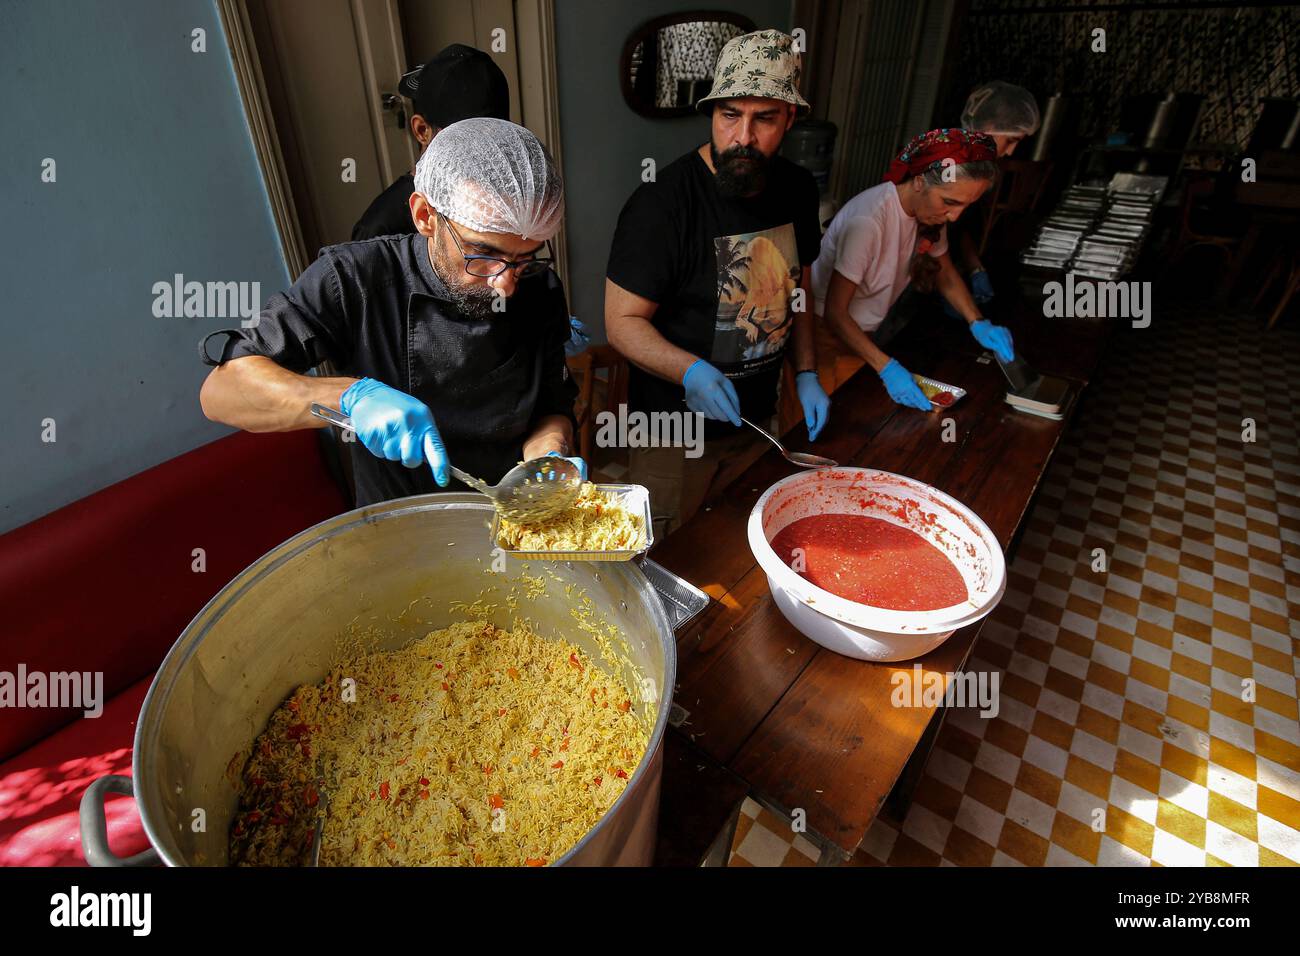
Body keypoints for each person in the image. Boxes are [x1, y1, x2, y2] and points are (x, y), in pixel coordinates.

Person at [199, 118, 584, 507]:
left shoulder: (539, 287)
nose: (505, 283)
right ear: (425, 216)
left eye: (523, 259)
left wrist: (549, 454)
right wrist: (351, 396)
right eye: (482, 254)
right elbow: (222, 393)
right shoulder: (355, 279)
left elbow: (552, 405)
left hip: (507, 510)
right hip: (402, 523)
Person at [605, 29, 829, 538]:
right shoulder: (661, 204)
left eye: (764, 118)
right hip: (673, 432)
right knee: (668, 557)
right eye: (730, 115)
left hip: (756, 423)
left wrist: (808, 372)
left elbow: (801, 289)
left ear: (790, 118)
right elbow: (621, 323)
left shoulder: (796, 189)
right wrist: (691, 372)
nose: (743, 137)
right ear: (712, 113)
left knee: (741, 547)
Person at [809, 128, 1016, 410]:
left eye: (966, 206)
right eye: (950, 202)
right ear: (919, 181)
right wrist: (887, 368)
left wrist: (977, 321)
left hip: (862, 334)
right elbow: (835, 313)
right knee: (815, 430)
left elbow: (944, 271)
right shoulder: (869, 221)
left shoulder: (930, 216)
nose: (955, 217)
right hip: (822, 336)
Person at [351, 44, 509, 241]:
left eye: (493, 137)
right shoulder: (381, 229)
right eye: (464, 139)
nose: (480, 152)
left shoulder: (504, 201)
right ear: (422, 131)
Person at [944, 81, 1042, 314]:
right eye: (1010, 140)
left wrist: (976, 270)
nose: (1011, 152)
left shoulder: (979, 171)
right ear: (988, 126)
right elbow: (930, 244)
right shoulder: (947, 168)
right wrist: (947, 286)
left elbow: (959, 229)